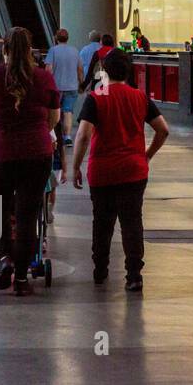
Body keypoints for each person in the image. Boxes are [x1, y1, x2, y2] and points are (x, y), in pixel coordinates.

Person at [0, 27, 60, 296]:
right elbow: (54, 117)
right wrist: (41, 128)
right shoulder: (43, 78)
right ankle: (21, 278)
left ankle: (4, 258)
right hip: (37, 153)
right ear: (30, 52)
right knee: (28, 215)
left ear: (3, 51)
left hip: (0, 153)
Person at [69, 49, 169, 292]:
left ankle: (100, 269)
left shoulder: (97, 97)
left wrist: (75, 166)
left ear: (104, 71)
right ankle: (134, 274)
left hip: (103, 171)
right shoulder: (140, 97)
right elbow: (163, 130)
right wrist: (146, 155)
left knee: (102, 222)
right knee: (132, 222)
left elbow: (83, 135)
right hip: (134, 171)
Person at [45, 28, 84, 146]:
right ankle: (67, 137)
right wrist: (80, 82)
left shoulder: (53, 51)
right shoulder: (75, 51)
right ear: (67, 38)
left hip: (56, 87)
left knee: (54, 110)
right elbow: (80, 69)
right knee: (68, 111)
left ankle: (54, 136)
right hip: (72, 86)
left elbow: (49, 69)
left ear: (56, 38)